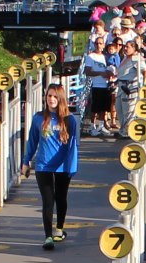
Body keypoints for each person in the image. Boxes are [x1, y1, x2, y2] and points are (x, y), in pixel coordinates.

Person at [23, 83, 79, 248]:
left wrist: (71, 167)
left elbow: (73, 145)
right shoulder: (38, 118)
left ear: (60, 98)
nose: (52, 99)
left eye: (55, 96)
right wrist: (26, 162)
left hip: (62, 167)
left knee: (61, 198)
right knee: (48, 200)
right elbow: (32, 141)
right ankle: (48, 236)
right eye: (49, 96)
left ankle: (59, 229)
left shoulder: (70, 120)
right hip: (43, 165)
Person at [80, 42, 117, 134]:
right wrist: (100, 73)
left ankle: (100, 126)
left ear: (103, 45)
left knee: (103, 108)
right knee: (95, 108)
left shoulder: (105, 57)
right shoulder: (91, 56)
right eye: (97, 43)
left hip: (106, 84)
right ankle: (93, 127)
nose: (99, 45)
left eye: (101, 43)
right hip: (96, 85)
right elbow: (87, 72)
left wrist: (109, 74)